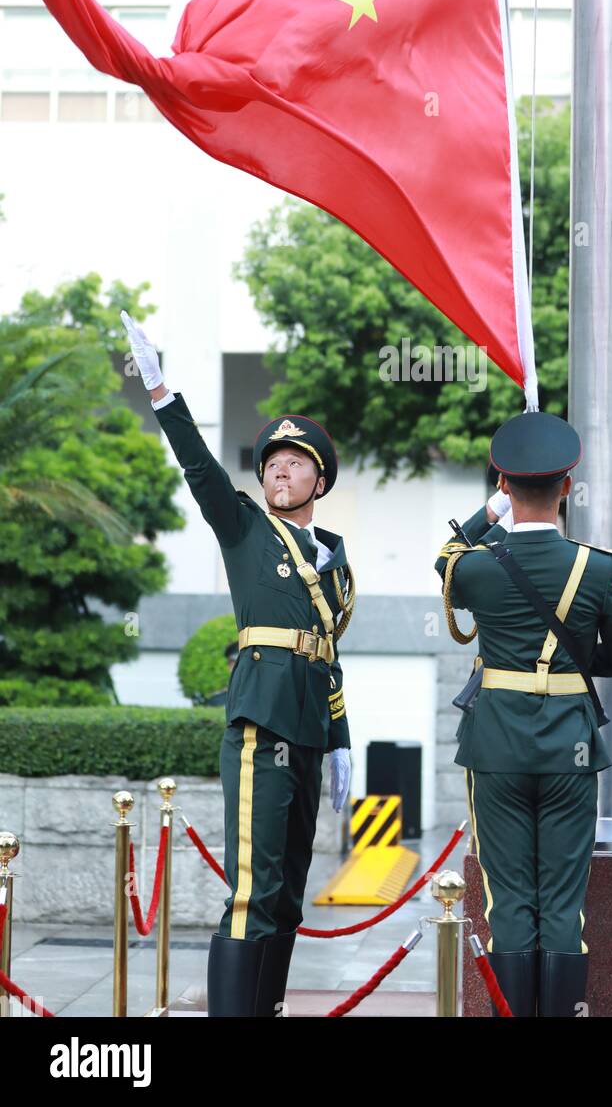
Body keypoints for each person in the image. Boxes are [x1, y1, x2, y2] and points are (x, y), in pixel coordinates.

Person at [121, 311, 355, 1018]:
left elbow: (330, 660)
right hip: (260, 722)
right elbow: (198, 467)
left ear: (320, 478)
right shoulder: (245, 526)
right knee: (254, 884)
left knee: (290, 887)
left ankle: (267, 1005)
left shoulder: (336, 559)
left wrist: (342, 743)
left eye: (296, 463)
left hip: (311, 730)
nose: (282, 471)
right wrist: (162, 393)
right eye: (272, 465)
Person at [435, 410, 612, 1017]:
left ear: (503, 486)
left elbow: (445, 557)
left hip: (497, 746)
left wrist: (489, 515)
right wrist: (571, 664)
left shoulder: (477, 565)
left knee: (507, 904)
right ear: (566, 489)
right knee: (562, 905)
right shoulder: (598, 568)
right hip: (570, 749)